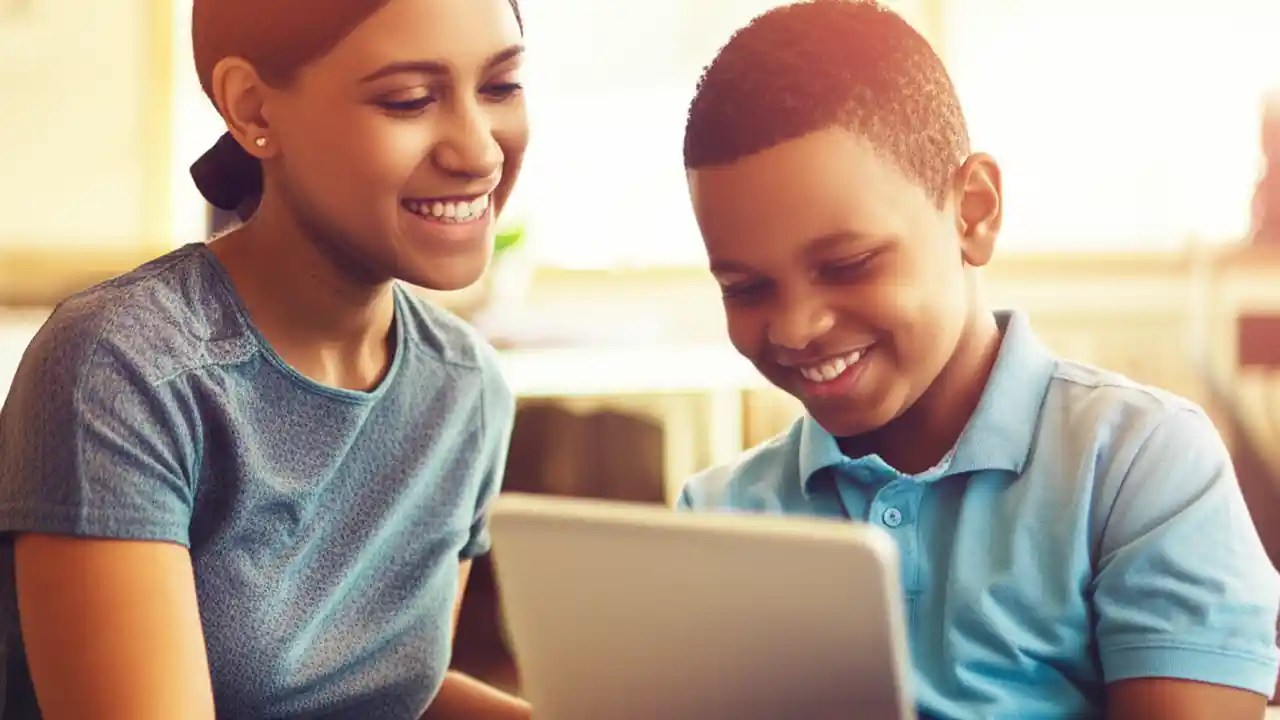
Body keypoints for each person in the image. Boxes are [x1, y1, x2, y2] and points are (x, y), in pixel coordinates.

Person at [676, 1, 1280, 717]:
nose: (796, 328)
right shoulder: (719, 517)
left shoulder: (1139, 467)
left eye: (848, 264)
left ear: (973, 211)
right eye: (746, 288)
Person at [0, 0, 532, 717]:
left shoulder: (465, 386)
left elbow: (389, 692)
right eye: (409, 100)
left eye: (500, 86)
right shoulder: (125, 369)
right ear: (253, 107)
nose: (480, 152)